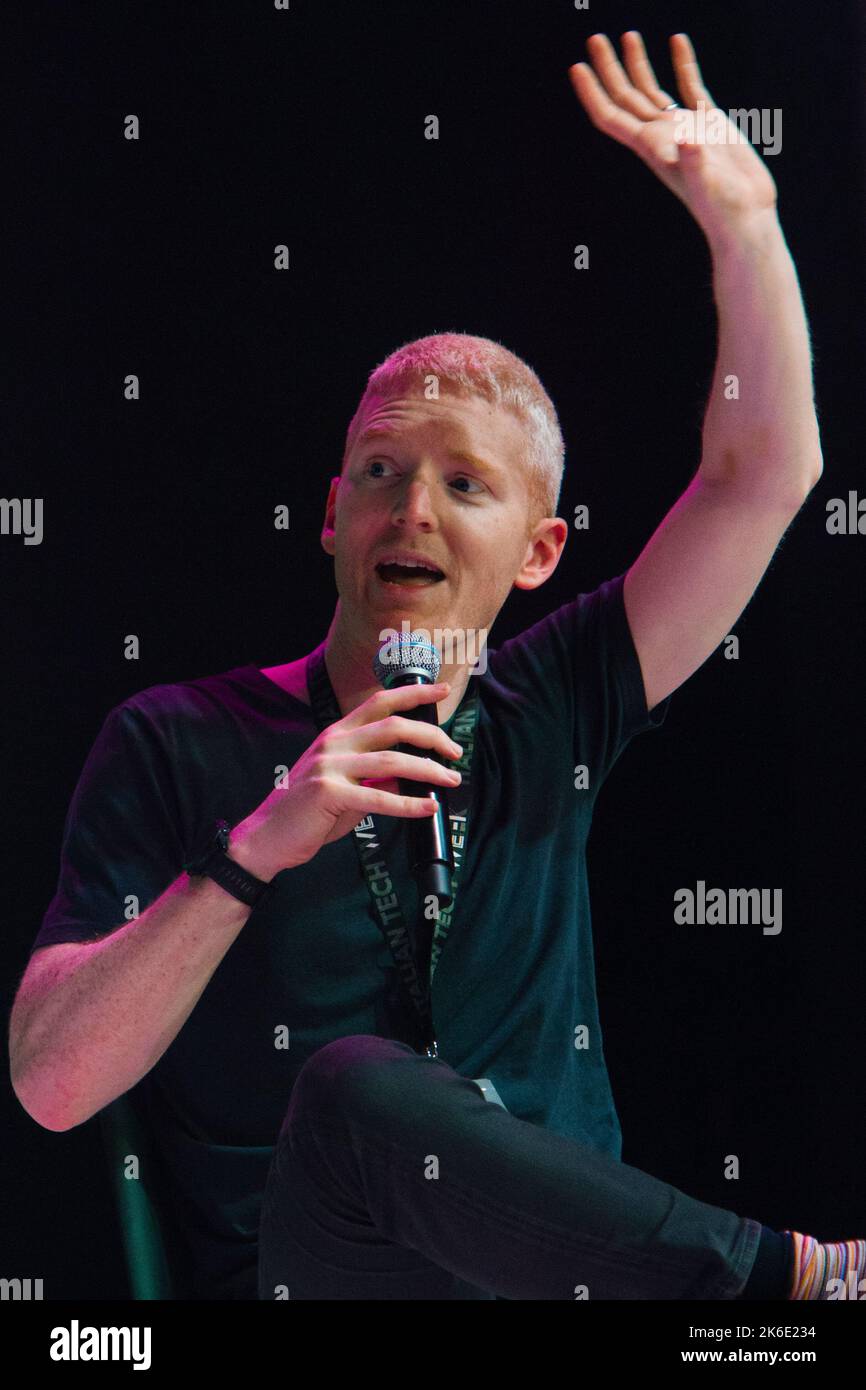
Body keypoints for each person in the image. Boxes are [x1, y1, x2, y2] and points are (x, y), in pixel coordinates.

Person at [10, 31, 863, 1301]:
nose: (410, 509)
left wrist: (744, 217)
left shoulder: (552, 699)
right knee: (352, 1086)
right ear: (330, 515)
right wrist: (260, 841)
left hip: (552, 1280)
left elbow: (762, 479)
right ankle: (787, 1282)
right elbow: (52, 1081)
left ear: (536, 550)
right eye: (378, 473)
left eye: (463, 484)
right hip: (315, 1274)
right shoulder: (175, 738)